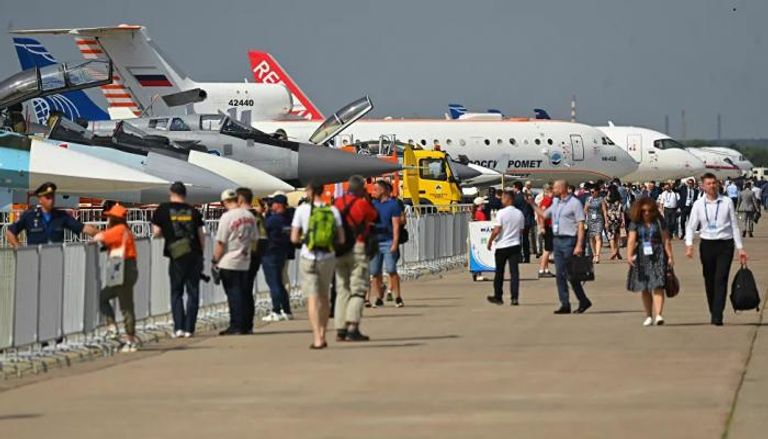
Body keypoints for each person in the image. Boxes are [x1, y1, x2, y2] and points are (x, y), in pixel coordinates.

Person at [685, 173, 749, 326]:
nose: (712, 186)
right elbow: (691, 226)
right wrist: (689, 244)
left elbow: (734, 225)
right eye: (708, 183)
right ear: (703, 186)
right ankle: (713, 309)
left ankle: (717, 314)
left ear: (718, 184)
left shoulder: (726, 202)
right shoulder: (699, 204)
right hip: (707, 244)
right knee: (709, 279)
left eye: (714, 183)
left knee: (721, 279)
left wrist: (740, 248)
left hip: (725, 245)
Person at [290, 181, 344, 349]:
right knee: (324, 296)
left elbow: (293, 237)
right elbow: (341, 238)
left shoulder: (302, 210)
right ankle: (323, 332)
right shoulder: (332, 210)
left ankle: (317, 337)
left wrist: (303, 241)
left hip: (308, 256)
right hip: (327, 257)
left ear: (310, 191)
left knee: (312, 298)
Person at [151, 182, 205, 338]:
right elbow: (201, 235)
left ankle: (179, 327)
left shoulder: (163, 209)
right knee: (193, 291)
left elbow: (156, 232)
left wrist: (168, 234)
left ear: (171, 193)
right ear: (185, 194)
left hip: (176, 254)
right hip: (194, 253)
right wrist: (201, 254)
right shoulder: (193, 211)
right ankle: (190, 328)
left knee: (176, 292)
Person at [529, 180, 592, 314]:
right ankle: (565, 303)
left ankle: (583, 300)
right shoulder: (556, 203)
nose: (554, 189)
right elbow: (544, 214)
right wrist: (533, 204)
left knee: (570, 274)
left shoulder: (574, 203)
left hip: (569, 240)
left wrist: (579, 245)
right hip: (557, 240)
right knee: (560, 275)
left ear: (564, 189)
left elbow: (581, 224)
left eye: (556, 187)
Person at [333, 175, 378, 341]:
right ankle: (352, 326)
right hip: (357, 248)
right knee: (358, 289)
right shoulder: (362, 204)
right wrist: (366, 198)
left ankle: (340, 328)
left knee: (342, 289)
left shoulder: (337, 203)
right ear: (360, 189)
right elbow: (374, 217)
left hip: (339, 249)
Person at [213, 189, 259, 335]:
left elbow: (221, 242)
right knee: (245, 293)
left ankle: (236, 325)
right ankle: (247, 325)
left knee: (234, 294)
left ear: (225, 201)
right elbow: (255, 239)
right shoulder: (249, 216)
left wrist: (215, 260)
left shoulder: (227, 217)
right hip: (245, 259)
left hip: (229, 261)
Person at [94, 203, 139, 352]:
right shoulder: (126, 231)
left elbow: (101, 236)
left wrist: (94, 239)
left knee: (125, 306)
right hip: (127, 269)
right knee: (105, 297)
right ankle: (114, 327)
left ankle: (130, 340)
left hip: (123, 269)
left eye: (110, 218)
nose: (108, 221)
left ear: (115, 219)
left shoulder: (118, 230)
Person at [626, 197, 674, 327]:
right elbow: (631, 239)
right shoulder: (636, 222)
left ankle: (659, 314)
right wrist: (629, 255)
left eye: (649, 210)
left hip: (658, 253)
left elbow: (666, 239)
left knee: (658, 284)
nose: (646, 213)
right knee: (645, 286)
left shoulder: (659, 221)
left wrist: (670, 256)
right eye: (643, 211)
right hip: (642, 254)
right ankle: (648, 315)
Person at [5, 182, 97, 248]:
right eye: (48, 197)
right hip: (34, 261)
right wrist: (21, 250)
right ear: (40, 199)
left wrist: (104, 236)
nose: (51, 200)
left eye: (52, 197)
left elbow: (84, 228)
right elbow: (10, 232)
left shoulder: (61, 216)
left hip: (54, 263)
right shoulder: (29, 216)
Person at [486, 190, 525, 306]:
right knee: (514, 272)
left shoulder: (501, 213)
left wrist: (490, 240)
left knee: (499, 272)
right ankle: (514, 297)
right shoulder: (519, 213)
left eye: (503, 198)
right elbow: (521, 230)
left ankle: (498, 295)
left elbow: (497, 229)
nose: (501, 200)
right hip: (515, 244)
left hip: (502, 245)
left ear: (508, 199)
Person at [369, 180, 403, 308]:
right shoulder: (373, 204)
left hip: (388, 241)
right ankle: (379, 297)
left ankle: (398, 297)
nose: (373, 192)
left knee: (391, 269)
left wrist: (394, 242)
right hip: (375, 241)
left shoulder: (393, 205)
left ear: (382, 190)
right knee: (375, 271)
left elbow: (396, 226)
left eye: (375, 190)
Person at [261, 194, 294, 322]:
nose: (270, 205)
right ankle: (286, 310)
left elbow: (263, 229)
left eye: (272, 203)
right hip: (282, 252)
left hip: (270, 253)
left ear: (278, 205)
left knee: (273, 283)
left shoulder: (274, 219)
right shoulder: (287, 218)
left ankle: (276, 310)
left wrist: (264, 214)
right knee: (279, 282)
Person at [236, 188, 266, 328]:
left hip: (244, 255)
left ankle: (242, 322)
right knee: (247, 289)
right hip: (256, 255)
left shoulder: (242, 216)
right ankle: (248, 323)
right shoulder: (258, 217)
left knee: (242, 289)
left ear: (240, 200)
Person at [584, 185, 608, 264]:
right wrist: (586, 217)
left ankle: (597, 255)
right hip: (590, 220)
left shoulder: (601, 199)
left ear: (597, 191)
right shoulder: (588, 199)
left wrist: (606, 221)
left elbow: (604, 210)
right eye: (591, 192)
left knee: (598, 236)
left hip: (599, 219)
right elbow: (585, 210)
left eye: (593, 192)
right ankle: (594, 254)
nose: (592, 193)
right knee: (591, 238)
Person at [536, 184, 555, 278]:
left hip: (548, 226)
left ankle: (546, 269)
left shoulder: (549, 200)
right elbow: (542, 214)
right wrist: (542, 226)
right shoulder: (547, 201)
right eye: (552, 191)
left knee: (546, 249)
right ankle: (542, 269)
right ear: (548, 191)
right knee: (547, 249)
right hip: (547, 227)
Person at [605, 185, 625, 260]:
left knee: (611, 237)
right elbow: (622, 210)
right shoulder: (618, 199)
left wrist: (606, 220)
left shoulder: (607, 199)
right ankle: (617, 252)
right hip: (617, 219)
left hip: (610, 218)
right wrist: (623, 221)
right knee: (617, 236)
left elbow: (605, 210)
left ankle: (613, 251)